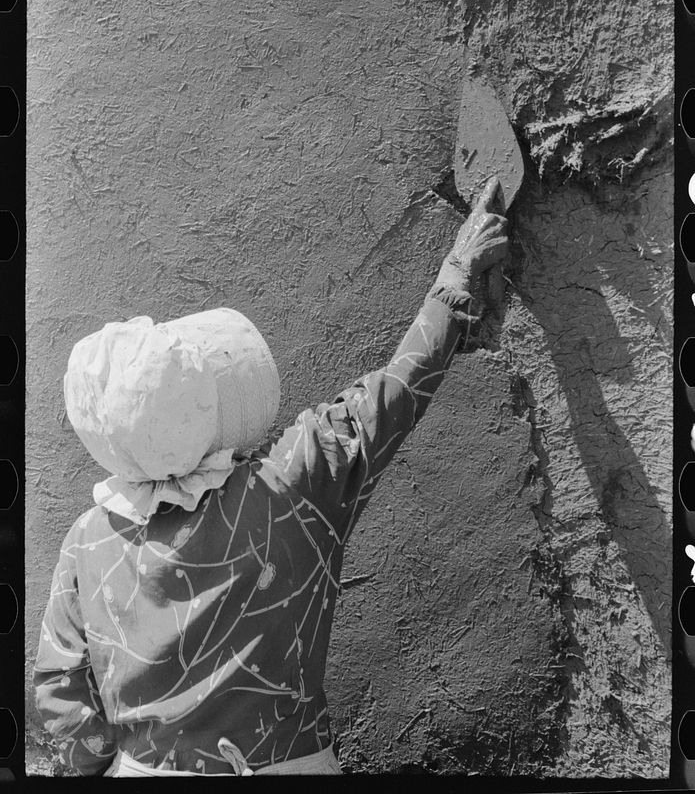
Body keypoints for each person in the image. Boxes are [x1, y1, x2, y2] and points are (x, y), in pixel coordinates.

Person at [33, 176, 508, 777]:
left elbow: (65, 706)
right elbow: (391, 399)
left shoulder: (85, 543)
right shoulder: (289, 484)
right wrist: (454, 281)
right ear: (210, 405)